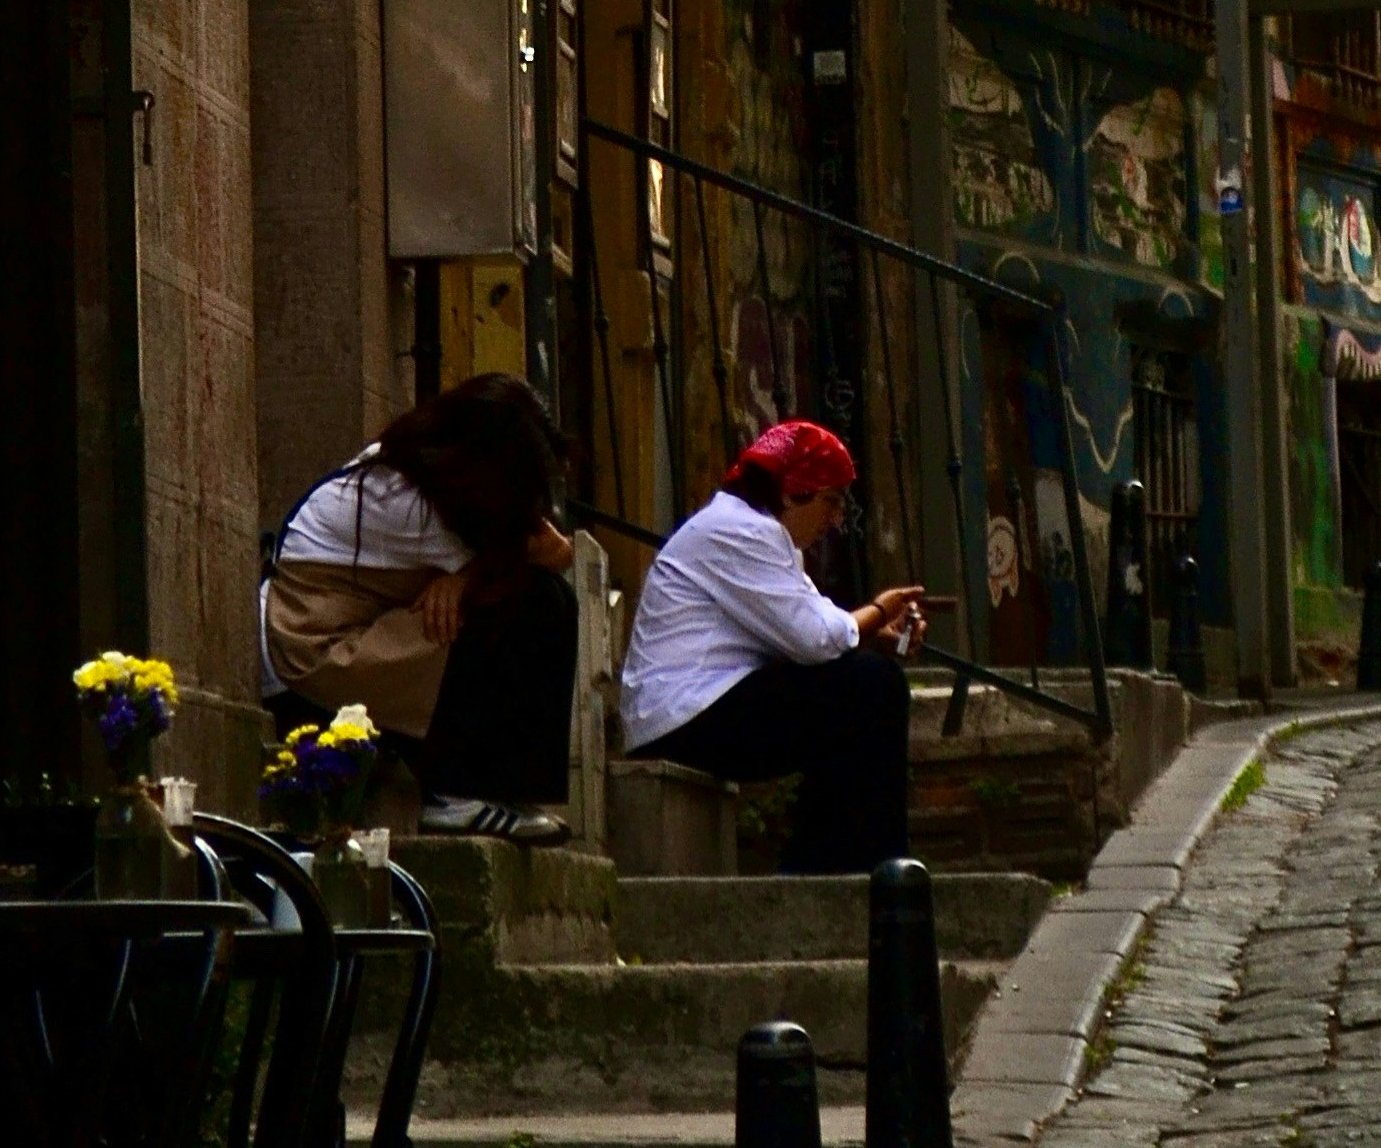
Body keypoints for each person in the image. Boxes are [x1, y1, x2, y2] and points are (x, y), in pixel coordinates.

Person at [260, 373, 576, 839]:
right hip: (312, 655)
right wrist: (471, 578)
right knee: (532, 602)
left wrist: (463, 578)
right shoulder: (408, 502)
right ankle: (453, 793)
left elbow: (557, 551)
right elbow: (544, 553)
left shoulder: (423, 472)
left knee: (532, 594)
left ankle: (503, 793)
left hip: (342, 639)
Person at [618, 419, 927, 873]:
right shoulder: (740, 531)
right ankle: (854, 864)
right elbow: (816, 638)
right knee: (869, 686)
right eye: (831, 501)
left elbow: (818, 624)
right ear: (792, 493)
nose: (836, 519)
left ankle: (835, 861)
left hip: (696, 708)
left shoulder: (756, 533)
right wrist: (880, 611)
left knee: (861, 685)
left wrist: (878, 637)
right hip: (684, 715)